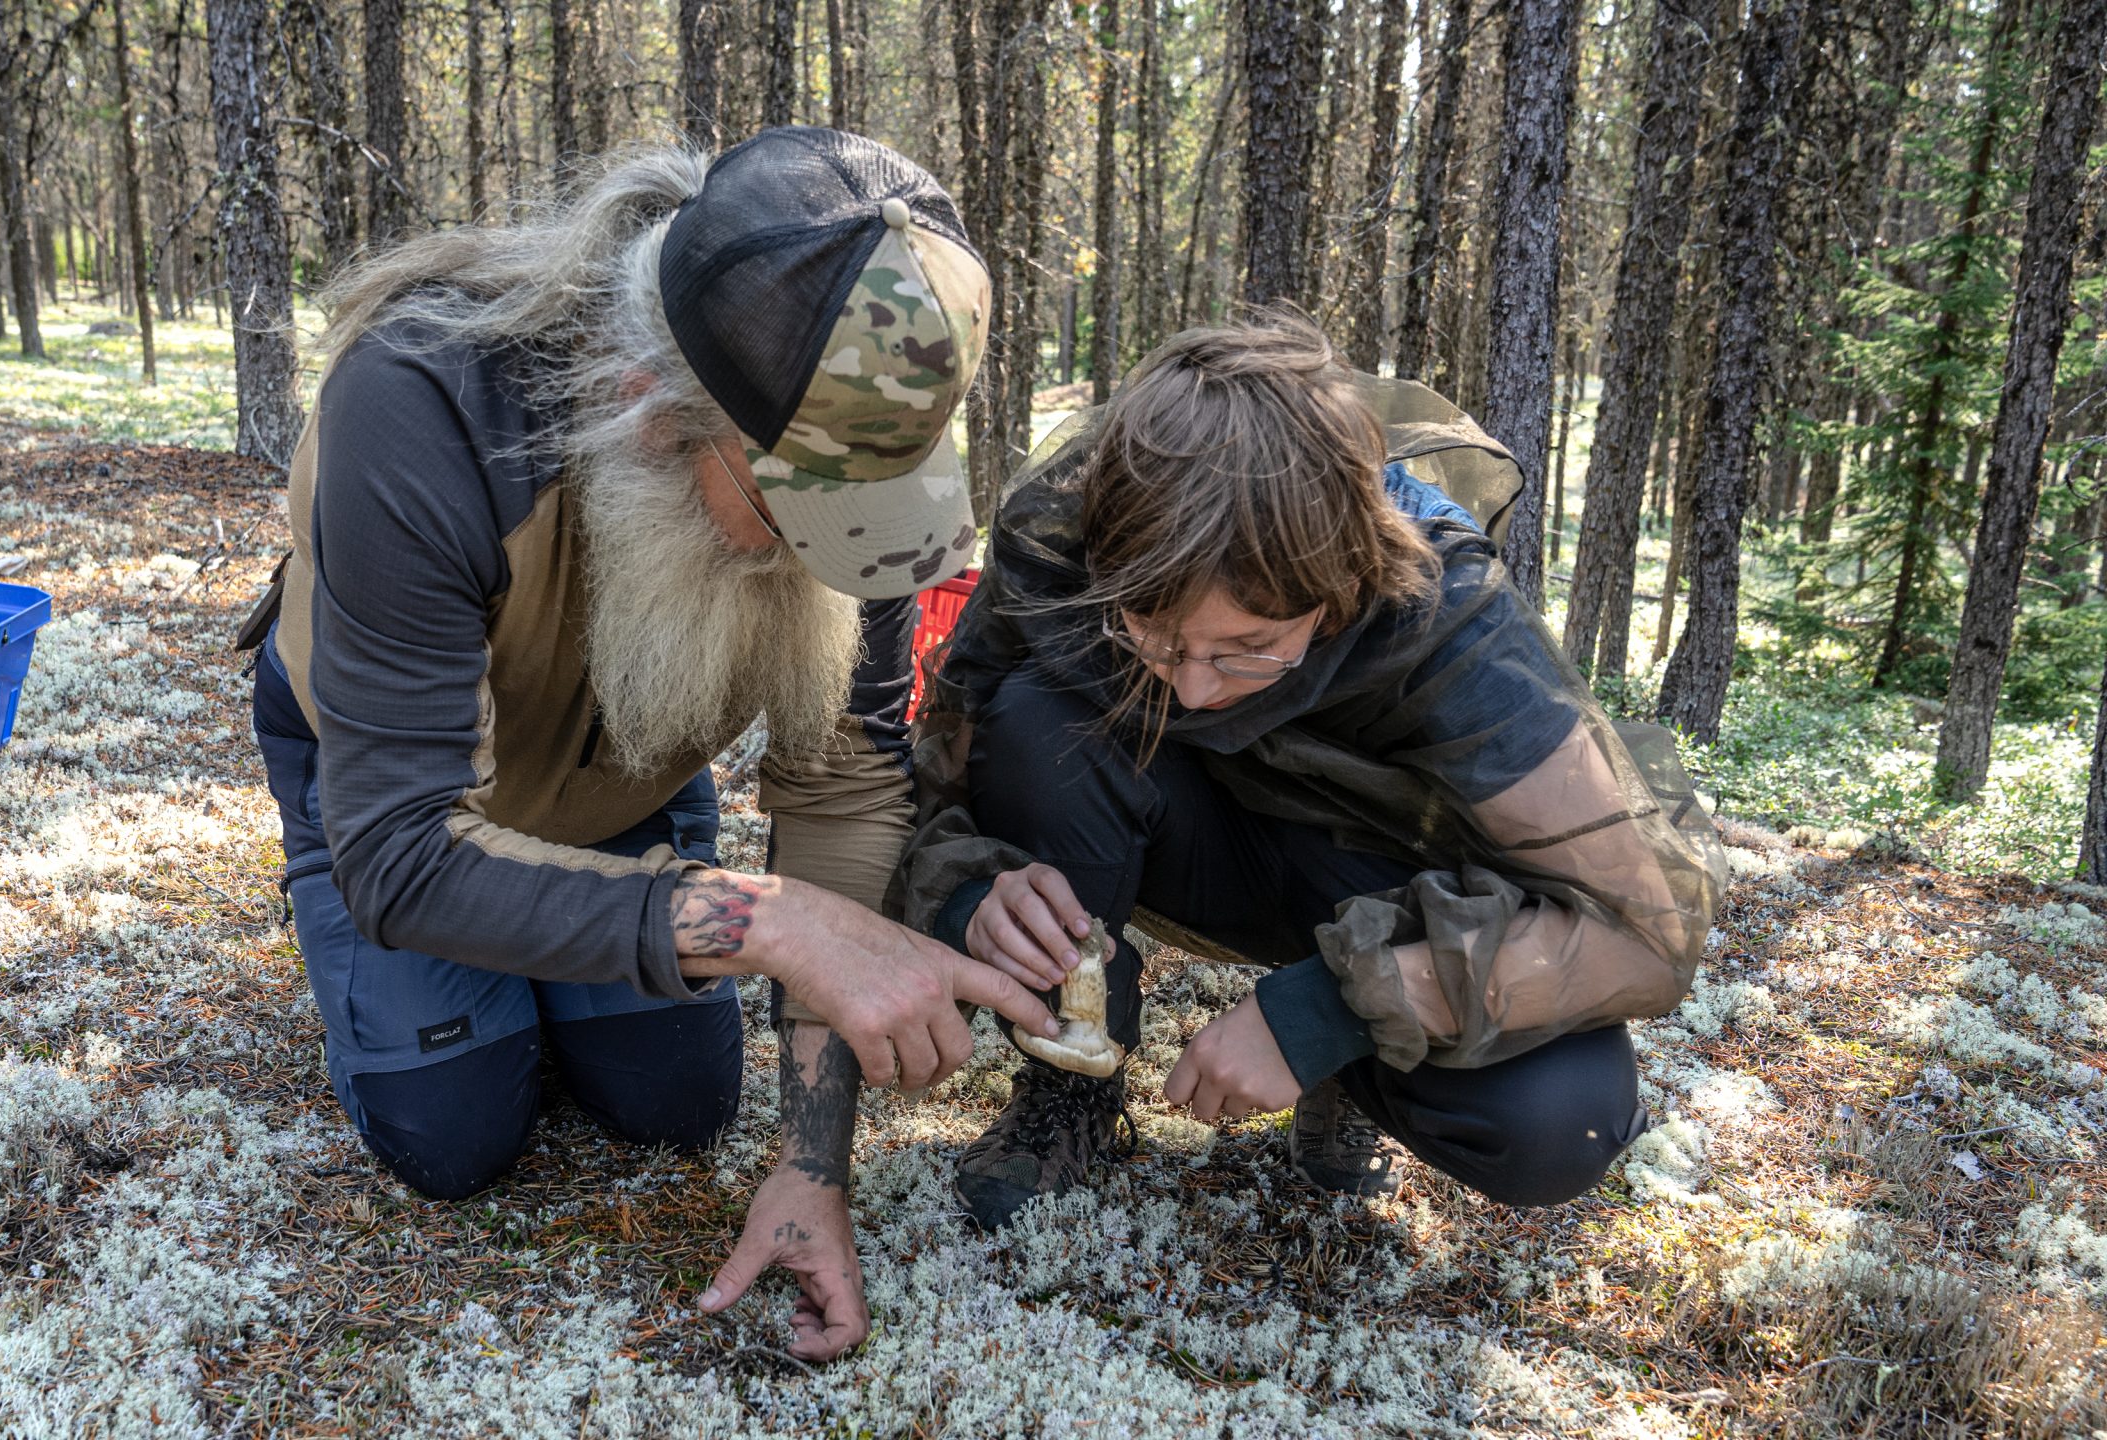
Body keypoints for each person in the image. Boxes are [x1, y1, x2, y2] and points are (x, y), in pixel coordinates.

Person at [239, 129, 1061, 1360]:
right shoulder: (418, 398)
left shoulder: (844, 441)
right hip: (399, 801)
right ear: (652, 416)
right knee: (454, 1137)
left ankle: (563, 936)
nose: (821, 557)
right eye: (795, 512)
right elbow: (404, 850)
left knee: (677, 1109)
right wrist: (772, 920)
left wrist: (812, 1164)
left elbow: (840, 779)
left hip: (622, 787)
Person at [878, 313, 1731, 1237]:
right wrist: (972, 894)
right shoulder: (1063, 541)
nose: (1196, 689)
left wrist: (1335, 1010)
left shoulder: (1451, 622)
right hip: (1182, 833)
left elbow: (1648, 929)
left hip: (1383, 877)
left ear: (1335, 588)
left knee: (1556, 1120)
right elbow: (945, 764)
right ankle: (1070, 1080)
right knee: (1036, 714)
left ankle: (1354, 1082)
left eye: (1251, 649)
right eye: (1153, 637)